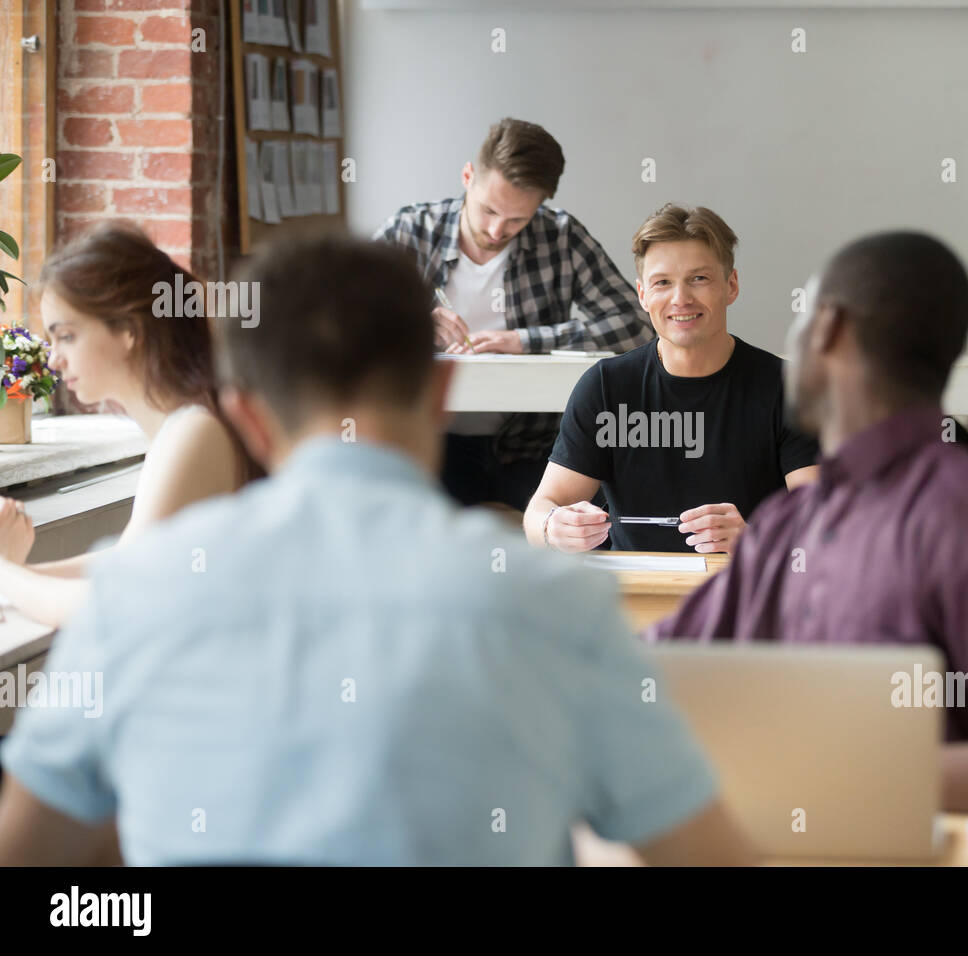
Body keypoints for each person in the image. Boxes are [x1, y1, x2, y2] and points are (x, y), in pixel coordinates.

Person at [0, 234, 753, 866]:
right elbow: (709, 857)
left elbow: (27, 850)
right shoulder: (556, 603)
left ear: (246, 417)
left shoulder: (138, 592)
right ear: (439, 393)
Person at [647, 232, 968, 816]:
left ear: (830, 331)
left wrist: (841, 777)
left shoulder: (960, 517)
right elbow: (662, 660)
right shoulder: (792, 522)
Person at [374, 118, 652, 512]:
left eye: (517, 220)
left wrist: (524, 341)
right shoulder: (411, 231)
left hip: (532, 446)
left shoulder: (560, 236)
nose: (496, 229)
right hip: (429, 441)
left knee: (607, 515)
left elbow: (635, 324)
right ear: (468, 177)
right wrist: (411, 320)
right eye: (488, 209)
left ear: (540, 205)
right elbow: (339, 318)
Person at [0, 223, 258, 627]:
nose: (53, 361)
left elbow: (112, 602)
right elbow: (123, 564)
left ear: (129, 330)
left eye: (66, 336)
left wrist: (6, 572)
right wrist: (13, 576)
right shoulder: (182, 427)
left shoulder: (193, 433)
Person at [524, 204, 819, 554]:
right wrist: (552, 526)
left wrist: (757, 537)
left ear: (731, 285)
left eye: (699, 278)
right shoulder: (605, 387)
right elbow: (541, 510)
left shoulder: (789, 387)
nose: (680, 299)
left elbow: (822, 521)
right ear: (642, 294)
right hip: (636, 597)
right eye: (662, 282)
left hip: (745, 590)